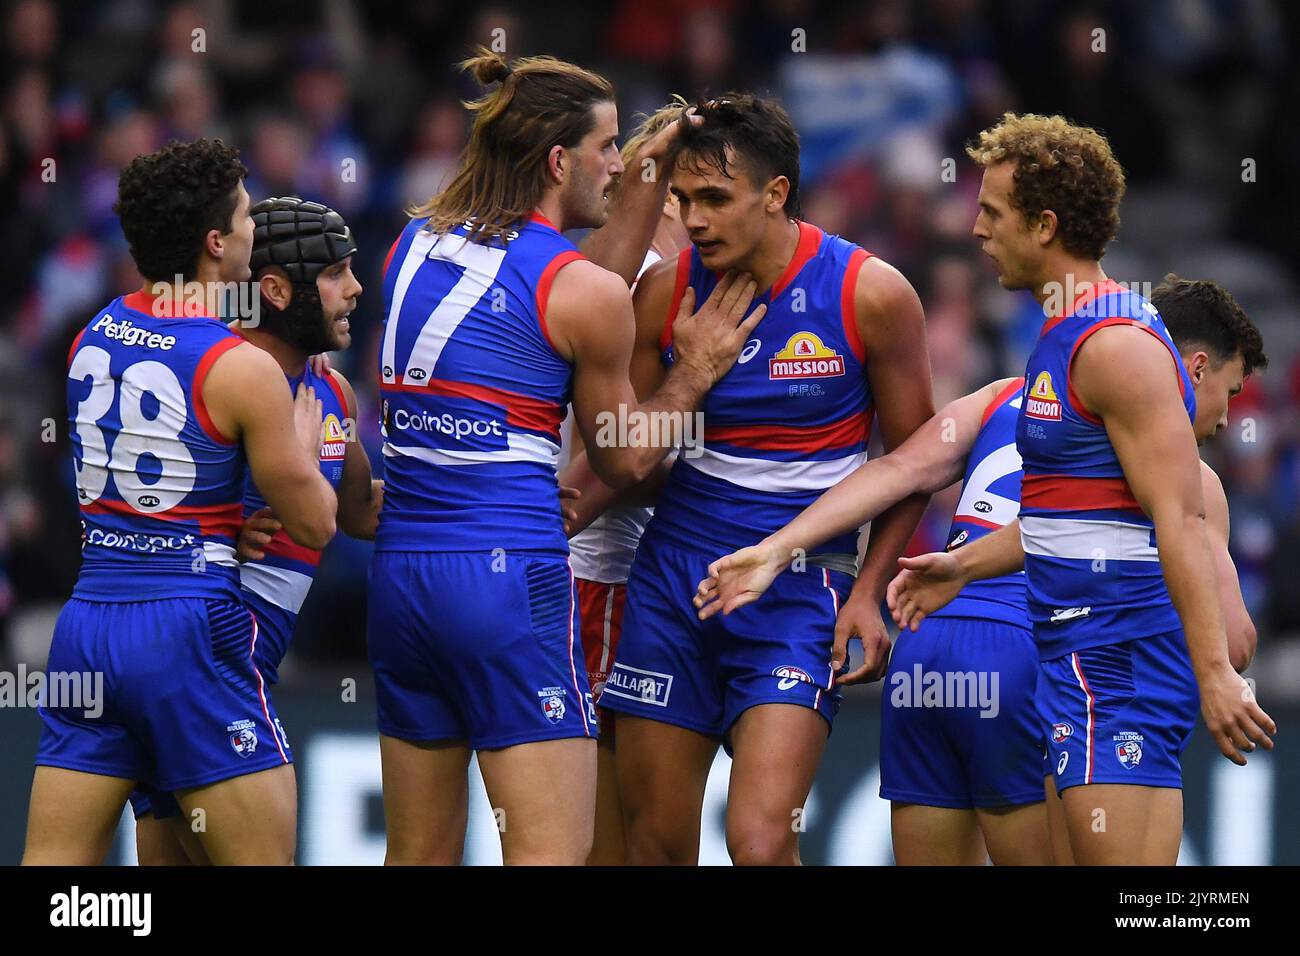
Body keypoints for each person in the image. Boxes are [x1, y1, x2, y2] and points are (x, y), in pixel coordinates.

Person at [694, 276, 1265, 865]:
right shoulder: (1188, 480)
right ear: (1193, 368)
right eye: (1232, 390)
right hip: (1031, 656)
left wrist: (779, 549)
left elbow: (900, 470)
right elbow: (1237, 639)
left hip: (925, 642)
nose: (1226, 419)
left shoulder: (1005, 395)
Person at [370, 51, 762, 865]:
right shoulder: (576, 291)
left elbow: (558, 291)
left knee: (416, 856)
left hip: (402, 579)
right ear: (558, 161)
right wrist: (692, 375)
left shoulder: (411, 244)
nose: (619, 166)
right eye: (609, 148)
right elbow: (621, 463)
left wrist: (647, 181)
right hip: (508, 581)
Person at [885, 113, 1274, 865]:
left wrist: (1218, 675)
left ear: (1045, 224)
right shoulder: (1060, 340)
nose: (975, 229)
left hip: (1116, 664)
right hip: (1072, 664)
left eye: (992, 213)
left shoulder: (1116, 347)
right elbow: (1080, 520)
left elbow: (1181, 520)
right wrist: (960, 566)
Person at [567, 94, 934, 865]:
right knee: (655, 849)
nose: (695, 220)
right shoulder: (664, 294)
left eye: (715, 199)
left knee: (762, 845)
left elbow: (914, 463)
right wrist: (690, 380)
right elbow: (620, 454)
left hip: (799, 591)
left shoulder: (871, 293)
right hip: (674, 585)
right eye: (683, 200)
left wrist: (868, 591)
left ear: (775, 194)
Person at [24, 140, 337, 865]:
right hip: (187, 632)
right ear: (215, 242)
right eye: (245, 215)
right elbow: (317, 521)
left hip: (89, 627)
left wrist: (221, 519)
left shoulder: (91, 334)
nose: (256, 228)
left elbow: (137, 483)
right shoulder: (243, 368)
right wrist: (300, 400)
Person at [129, 196, 382, 864]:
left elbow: (359, 513)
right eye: (336, 274)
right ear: (276, 289)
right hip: (214, 668)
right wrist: (211, 531)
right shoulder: (218, 379)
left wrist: (497, 493)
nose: (355, 289)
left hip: (226, 670)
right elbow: (128, 499)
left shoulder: (333, 392)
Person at [564, 97, 693, 865]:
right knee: (619, 834)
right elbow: (615, 454)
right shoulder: (642, 280)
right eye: (689, 195)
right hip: (608, 580)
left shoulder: (592, 270)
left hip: (619, 575)